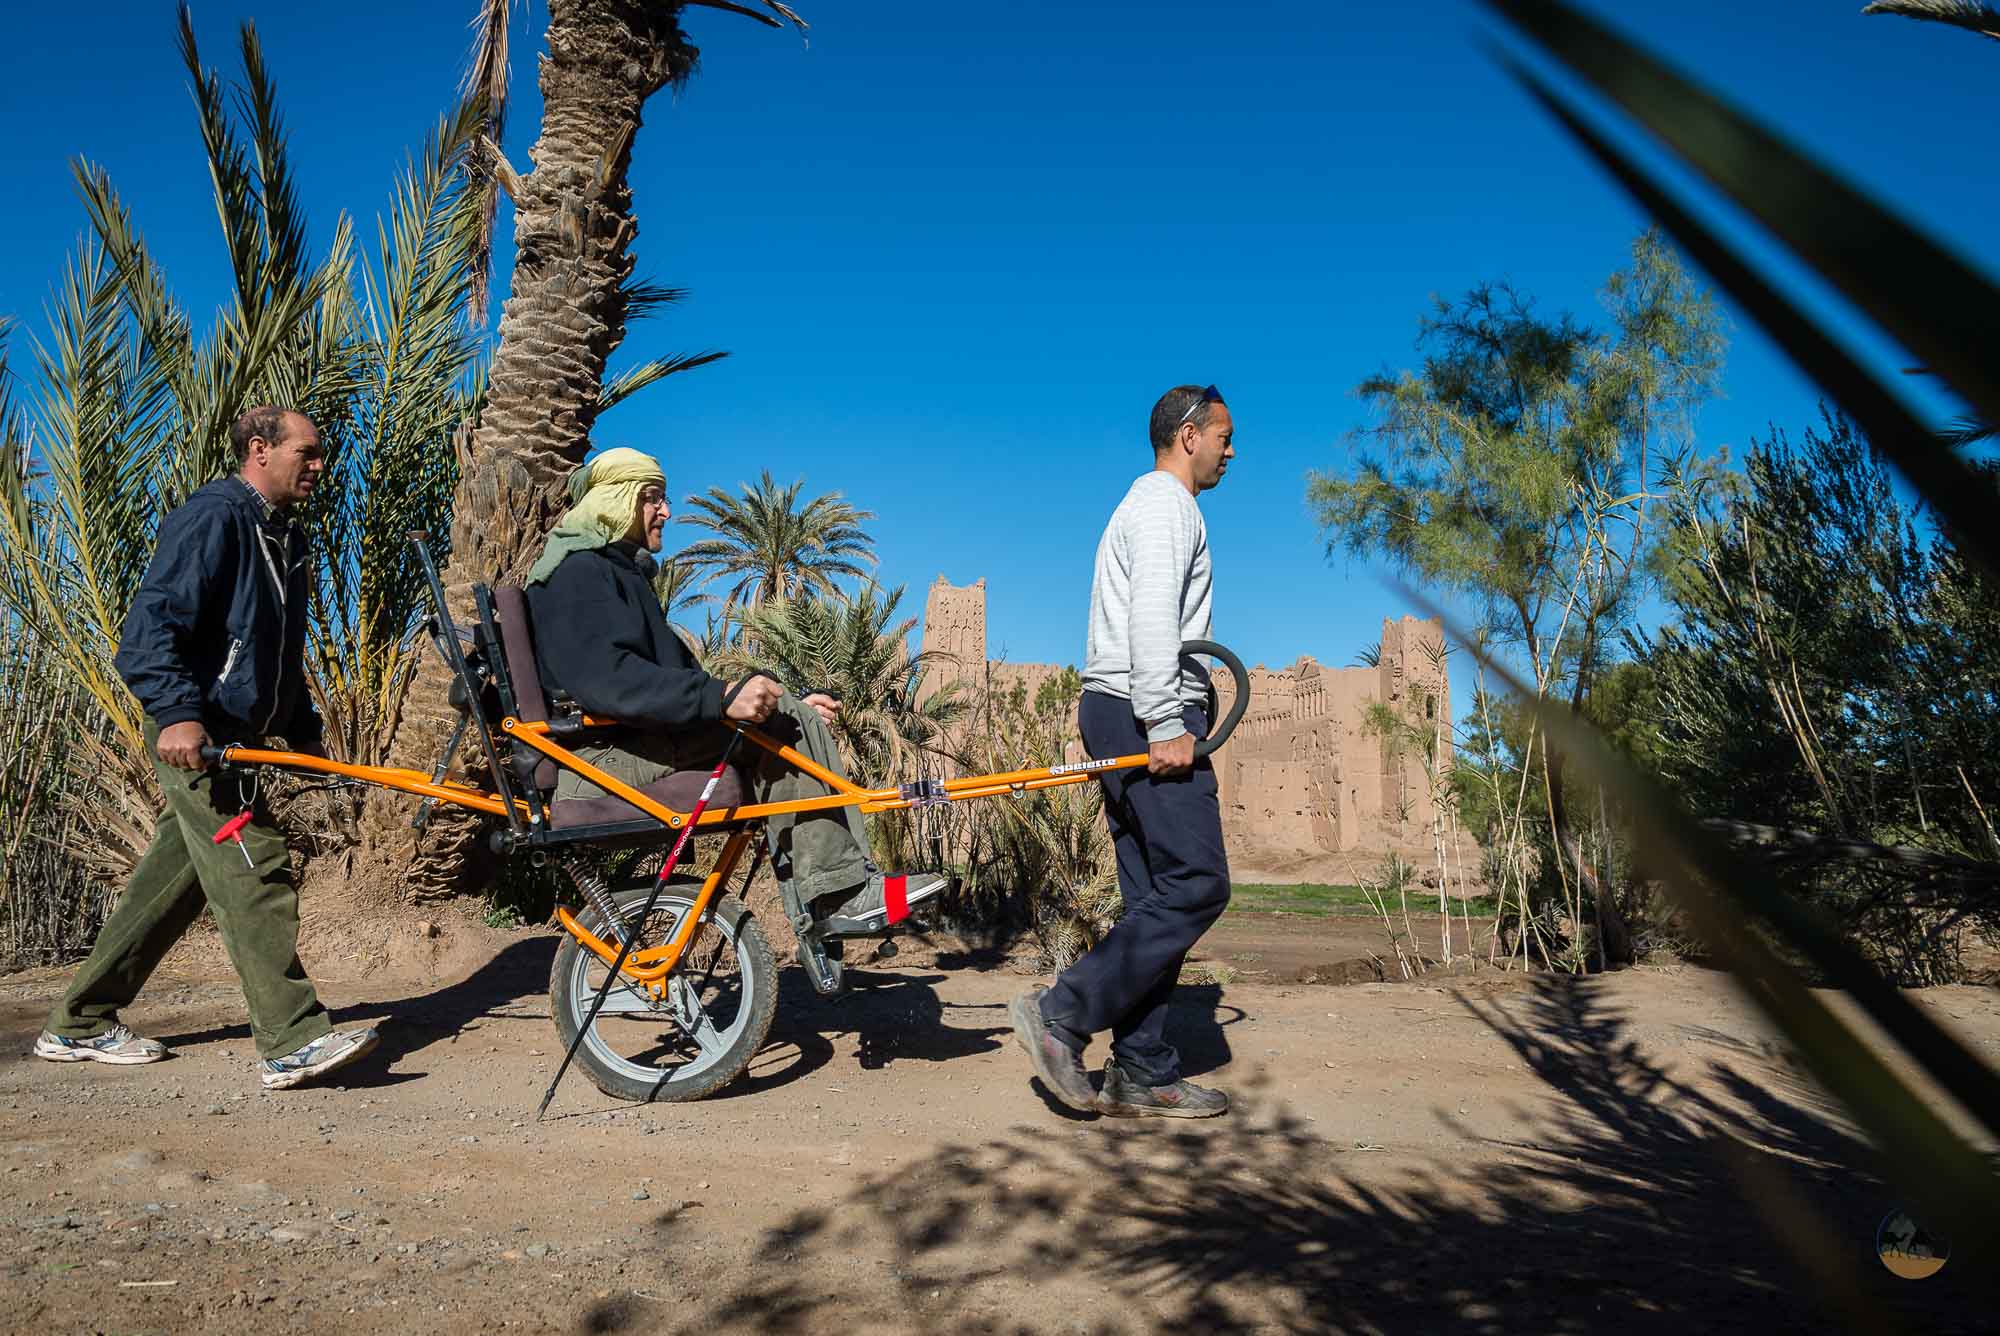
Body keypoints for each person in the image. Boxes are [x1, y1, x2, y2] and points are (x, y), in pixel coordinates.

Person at [35, 407, 380, 1091]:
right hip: (204, 737)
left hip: (238, 737)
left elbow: (277, 651)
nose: (319, 466)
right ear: (259, 449)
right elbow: (150, 625)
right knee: (256, 868)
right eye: (306, 453)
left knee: (172, 885)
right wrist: (176, 714)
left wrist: (303, 727)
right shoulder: (216, 516)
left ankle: (77, 1022)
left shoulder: (283, 536)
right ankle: (291, 1040)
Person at [523, 448, 948, 931]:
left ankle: (841, 888)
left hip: (624, 741)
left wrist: (783, 708)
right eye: (653, 499)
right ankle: (838, 894)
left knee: (788, 716)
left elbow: (665, 679)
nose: (666, 511)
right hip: (596, 760)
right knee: (783, 720)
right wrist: (722, 699)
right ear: (618, 501)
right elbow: (609, 681)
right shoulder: (579, 575)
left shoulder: (613, 574)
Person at [1010, 384, 1236, 1117]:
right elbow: (1151, 620)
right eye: (1224, 436)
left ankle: (1142, 1068)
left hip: (1118, 710)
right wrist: (1168, 720)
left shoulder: (1145, 505)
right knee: (1198, 882)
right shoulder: (1169, 506)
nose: (1232, 452)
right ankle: (1063, 1014)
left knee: (1152, 898)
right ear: (1189, 435)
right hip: (1146, 713)